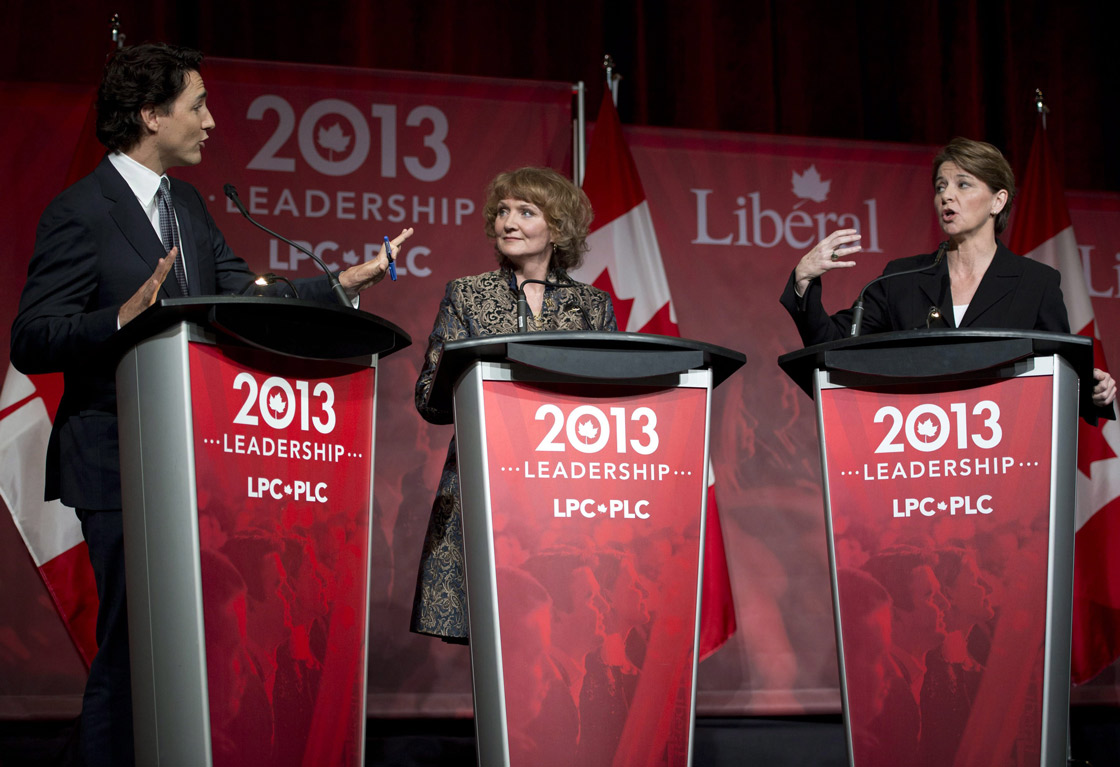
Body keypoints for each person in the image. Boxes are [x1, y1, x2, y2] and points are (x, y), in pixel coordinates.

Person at [9, 43, 410, 767]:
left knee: (189, 643)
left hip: (198, 459)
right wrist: (122, 318)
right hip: (117, 457)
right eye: (197, 104)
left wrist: (341, 283)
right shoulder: (81, 211)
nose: (212, 121)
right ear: (150, 114)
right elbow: (32, 338)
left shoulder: (187, 204)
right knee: (134, 647)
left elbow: (241, 293)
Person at [411, 166, 617, 641]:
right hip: (486, 484)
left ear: (557, 228)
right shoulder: (467, 294)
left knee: (563, 630)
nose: (508, 222)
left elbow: (608, 400)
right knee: (495, 628)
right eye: (502, 211)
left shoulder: (593, 306)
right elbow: (429, 397)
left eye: (526, 212)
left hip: (563, 488)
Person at [779, 136, 1116, 410]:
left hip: (1005, 454)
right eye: (941, 186)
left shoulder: (1036, 282)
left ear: (998, 201)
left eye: (963, 184)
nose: (946, 196)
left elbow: (1058, 371)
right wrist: (803, 281)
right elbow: (836, 346)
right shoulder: (902, 279)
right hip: (921, 446)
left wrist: (1091, 388)